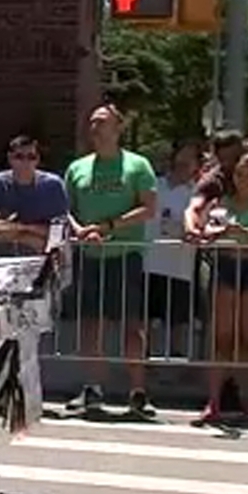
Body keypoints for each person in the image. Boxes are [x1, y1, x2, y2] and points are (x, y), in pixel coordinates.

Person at [62, 103, 158, 418]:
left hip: (125, 255)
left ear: (118, 128)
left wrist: (108, 226)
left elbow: (148, 208)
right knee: (91, 325)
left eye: (102, 122)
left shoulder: (137, 165)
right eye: (92, 122)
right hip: (89, 256)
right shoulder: (77, 168)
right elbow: (66, 208)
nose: (95, 127)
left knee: (132, 325)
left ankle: (138, 392)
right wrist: (80, 230)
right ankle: (92, 388)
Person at [185, 147, 248, 423]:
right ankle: (214, 400)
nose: (244, 180)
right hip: (226, 266)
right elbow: (203, 227)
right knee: (222, 337)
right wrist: (217, 231)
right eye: (240, 174)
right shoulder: (221, 202)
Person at [145, 140, 202, 357]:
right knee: (147, 315)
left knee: (178, 317)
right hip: (150, 260)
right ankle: (145, 358)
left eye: (190, 158)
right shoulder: (154, 185)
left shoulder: (197, 192)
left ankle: (177, 358)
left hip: (180, 264)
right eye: (182, 155)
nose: (184, 161)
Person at [0, 134, 70, 256]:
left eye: (31, 157)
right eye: (19, 157)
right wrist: (27, 236)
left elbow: (60, 230)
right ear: (10, 158)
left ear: (38, 160)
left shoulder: (53, 185)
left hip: (44, 255)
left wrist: (21, 228)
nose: (26, 162)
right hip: (3, 256)